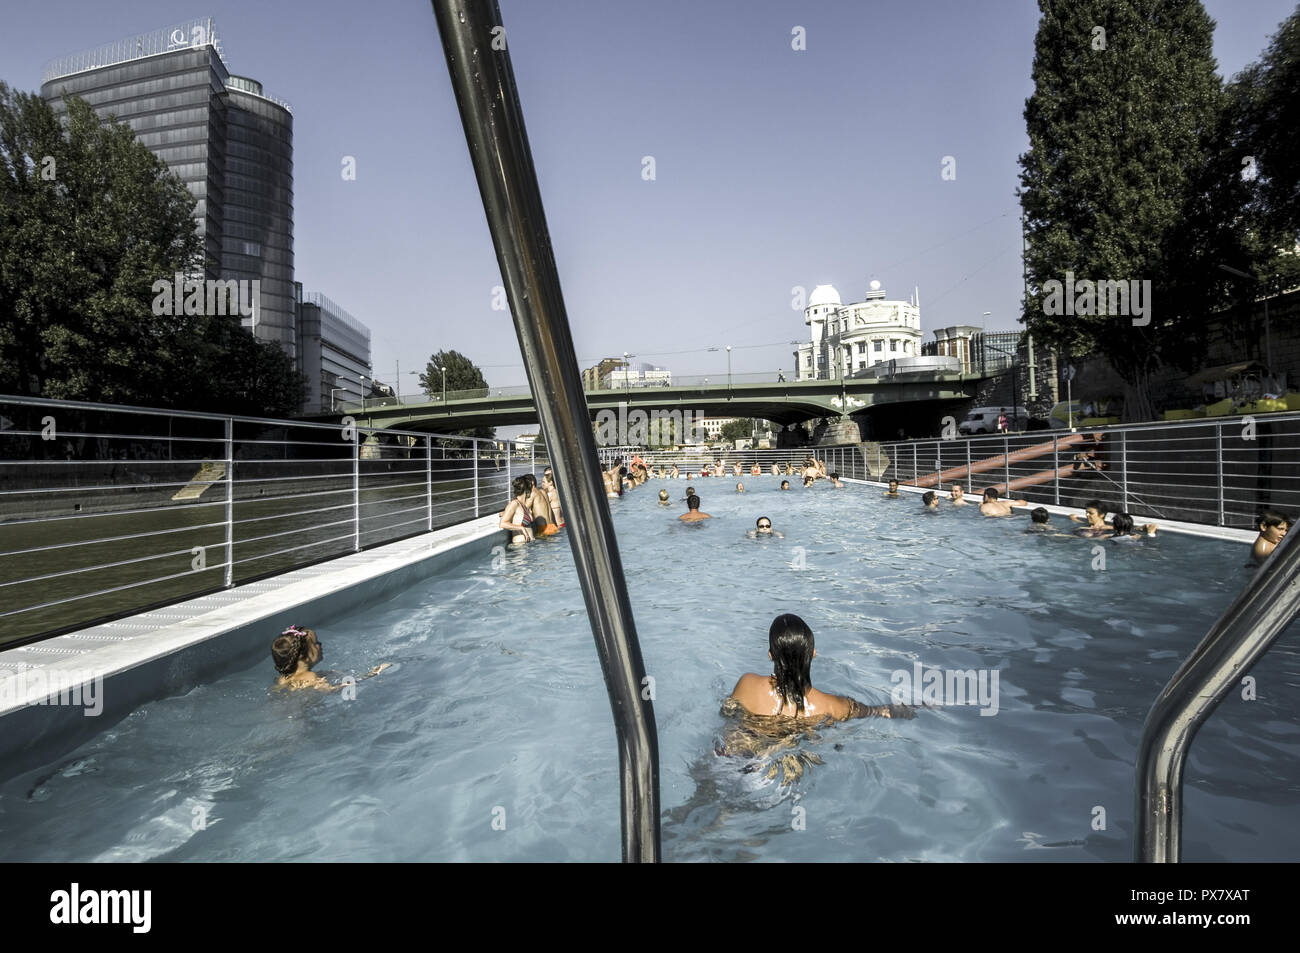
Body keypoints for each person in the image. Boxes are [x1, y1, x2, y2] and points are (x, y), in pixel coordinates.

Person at [726, 614, 913, 721]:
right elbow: (876, 711)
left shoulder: (747, 683)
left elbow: (727, 714)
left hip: (727, 758)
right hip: (771, 773)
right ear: (813, 653)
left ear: (771, 655)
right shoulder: (829, 706)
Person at [272, 625, 389, 692]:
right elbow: (332, 691)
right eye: (316, 643)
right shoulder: (311, 677)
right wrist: (373, 674)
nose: (320, 644)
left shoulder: (282, 679)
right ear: (303, 657)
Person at [500, 477, 536, 543]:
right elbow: (503, 523)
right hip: (520, 546)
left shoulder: (524, 505)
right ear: (526, 490)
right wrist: (521, 528)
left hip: (529, 545)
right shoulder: (514, 504)